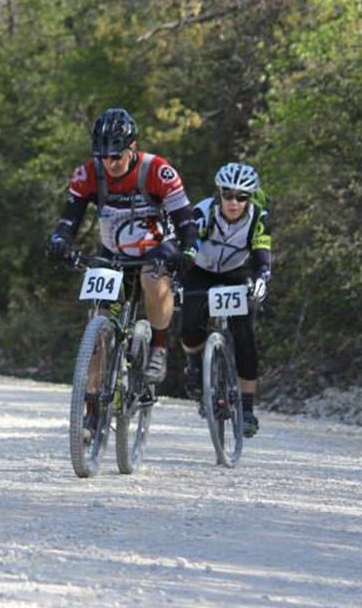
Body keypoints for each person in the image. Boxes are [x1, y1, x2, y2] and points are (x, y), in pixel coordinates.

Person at [45, 107, 199, 384]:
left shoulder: (157, 170)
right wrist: (60, 241)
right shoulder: (87, 174)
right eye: (102, 156)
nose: (109, 163)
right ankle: (91, 402)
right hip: (114, 251)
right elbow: (69, 220)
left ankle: (158, 348)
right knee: (98, 320)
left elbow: (185, 219)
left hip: (157, 247)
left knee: (152, 277)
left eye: (116, 156)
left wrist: (189, 249)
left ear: (132, 147)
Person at [180, 162, 272, 437]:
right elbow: (191, 243)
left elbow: (262, 255)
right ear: (219, 193)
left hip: (236, 272)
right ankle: (194, 366)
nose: (234, 202)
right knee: (189, 319)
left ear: (250, 198)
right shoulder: (204, 212)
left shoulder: (258, 218)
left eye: (241, 197)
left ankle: (247, 409)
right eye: (228, 195)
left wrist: (262, 278)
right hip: (200, 270)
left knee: (245, 334)